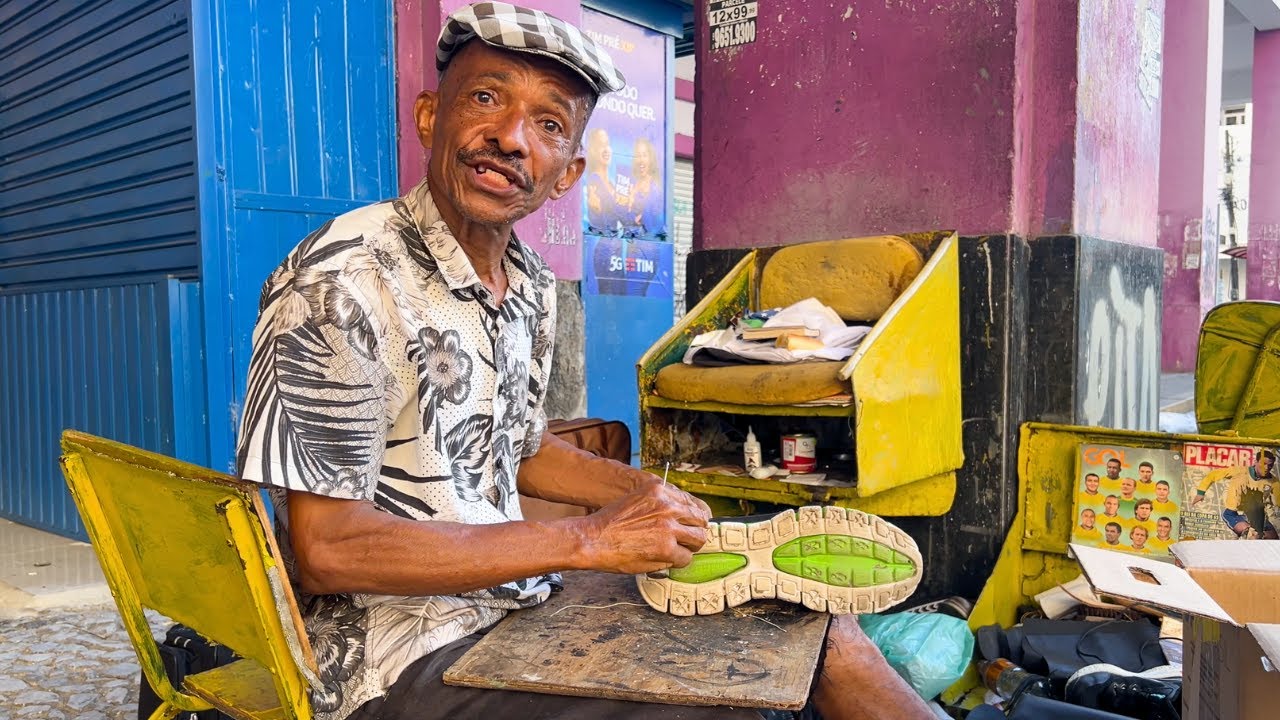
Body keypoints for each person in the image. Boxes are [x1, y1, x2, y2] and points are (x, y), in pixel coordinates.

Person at [234, 5, 932, 720]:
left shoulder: (531, 285)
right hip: (388, 660)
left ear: (566, 174)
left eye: (548, 124)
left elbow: (520, 447)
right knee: (721, 701)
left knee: (815, 633)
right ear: (427, 117)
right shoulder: (341, 279)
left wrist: (643, 495)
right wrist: (591, 539)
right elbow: (327, 549)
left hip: (510, 603)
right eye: (485, 98)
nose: (509, 137)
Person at [1190, 449, 1279, 539]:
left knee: (1274, 540)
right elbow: (1213, 474)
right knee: (1250, 534)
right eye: (1263, 464)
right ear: (1255, 462)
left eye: (1270, 465)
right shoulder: (1240, 471)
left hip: (1258, 517)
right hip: (1234, 514)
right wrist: (1200, 493)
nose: (1267, 468)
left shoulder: (1274, 482)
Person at [584, 127, 620, 231]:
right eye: (600, 145)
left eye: (607, 144)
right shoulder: (589, 185)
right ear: (592, 150)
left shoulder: (613, 184)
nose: (605, 149)